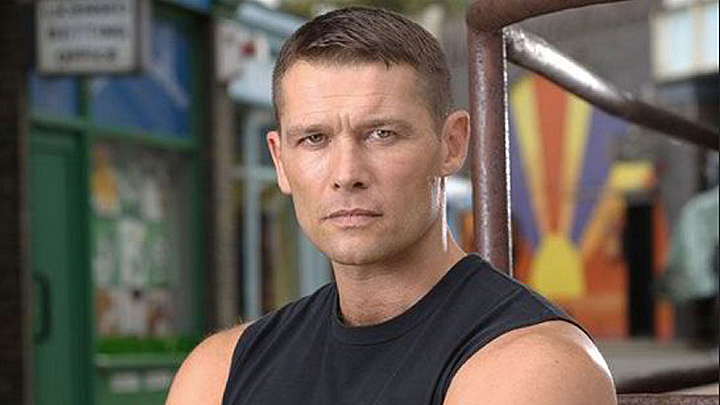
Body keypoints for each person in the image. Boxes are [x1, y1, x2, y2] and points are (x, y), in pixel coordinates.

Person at [167, 7, 616, 405]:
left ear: (452, 144)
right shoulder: (217, 370)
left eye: (382, 134)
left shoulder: (535, 365)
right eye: (314, 139)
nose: (347, 173)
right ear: (280, 161)